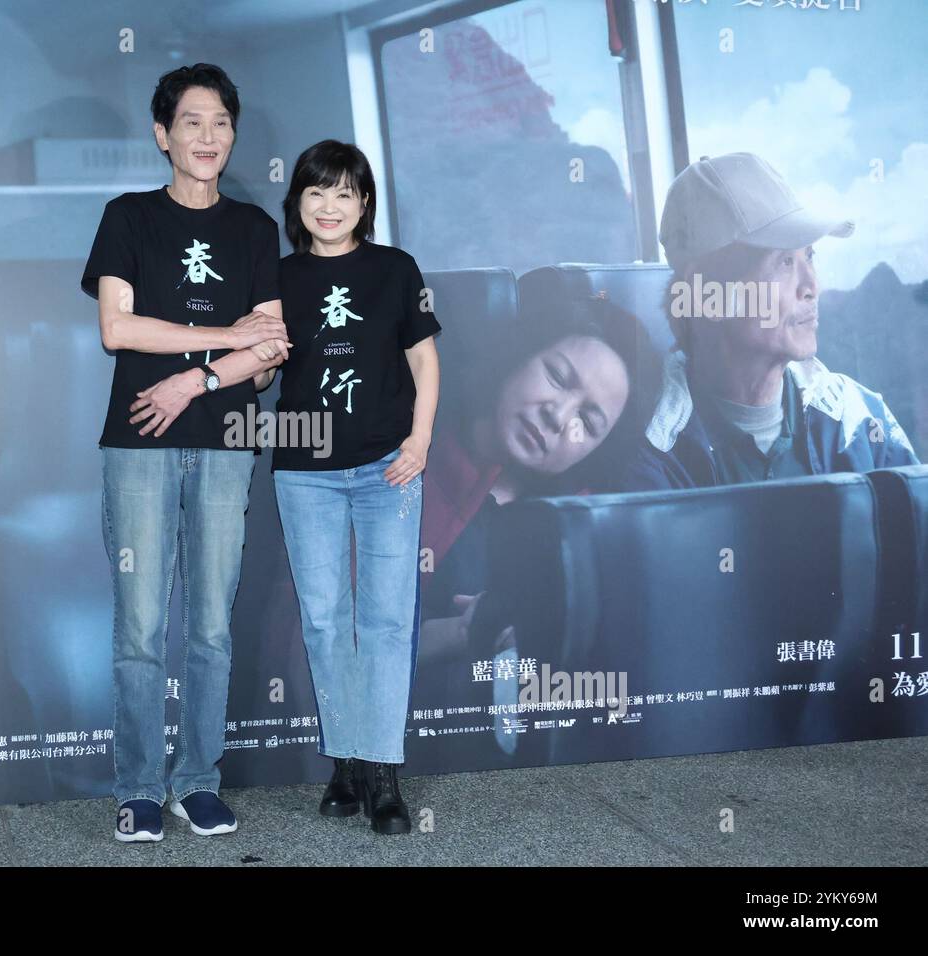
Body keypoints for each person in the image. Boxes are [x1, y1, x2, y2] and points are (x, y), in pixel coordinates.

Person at [79, 63, 291, 844]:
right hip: (139, 444)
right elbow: (118, 329)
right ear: (163, 135)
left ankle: (196, 781)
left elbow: (269, 356)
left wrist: (194, 380)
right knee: (140, 625)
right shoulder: (128, 217)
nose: (209, 137)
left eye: (222, 123)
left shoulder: (253, 228)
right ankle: (137, 786)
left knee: (210, 624)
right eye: (192, 123)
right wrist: (231, 336)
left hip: (227, 441)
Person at [268, 140, 441, 835]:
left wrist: (421, 440)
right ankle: (345, 759)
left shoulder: (395, 269)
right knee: (324, 618)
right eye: (317, 192)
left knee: (388, 620)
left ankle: (383, 774)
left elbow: (424, 359)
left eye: (344, 192)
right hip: (305, 470)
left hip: (387, 466)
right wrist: (255, 358)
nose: (330, 205)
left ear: (364, 203)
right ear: (298, 204)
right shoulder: (276, 278)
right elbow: (258, 377)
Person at [416, 286, 660, 754]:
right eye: (557, 377)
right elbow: (323, 655)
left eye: (588, 422)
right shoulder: (403, 463)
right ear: (520, 355)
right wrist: (465, 632)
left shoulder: (584, 527)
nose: (557, 416)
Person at [610, 152, 918, 491]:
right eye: (785, 262)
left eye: (809, 257)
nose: (812, 286)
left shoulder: (859, 420)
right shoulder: (648, 456)